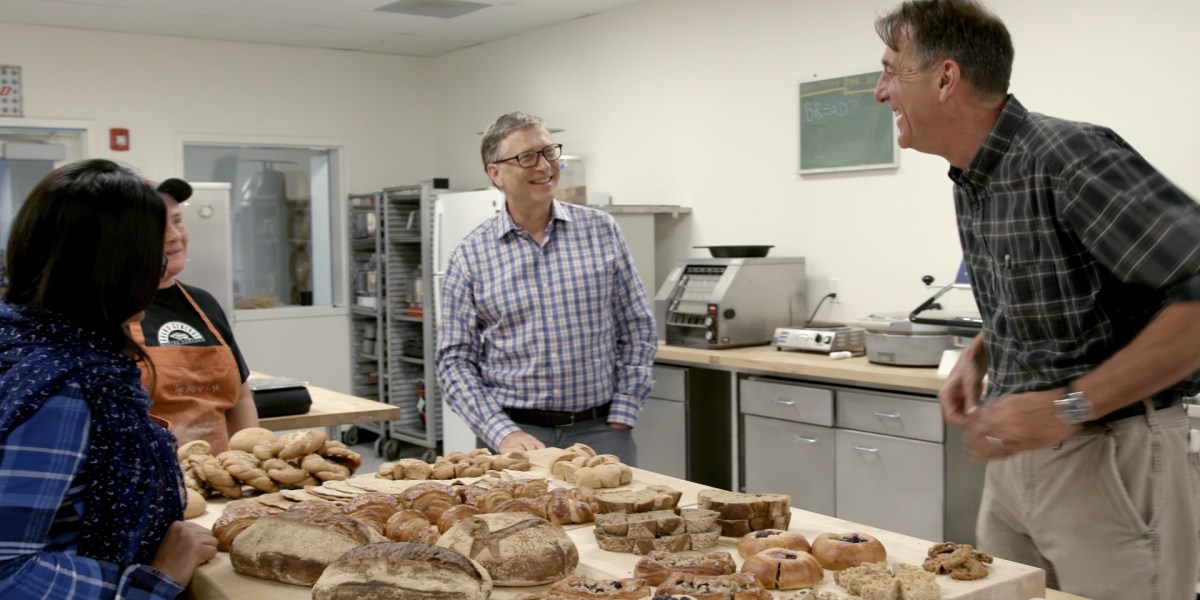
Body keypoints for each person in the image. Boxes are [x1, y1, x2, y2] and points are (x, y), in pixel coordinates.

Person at [872, 1, 1200, 598]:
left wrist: (1068, 407)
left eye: (893, 70)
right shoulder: (974, 177)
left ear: (946, 78)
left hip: (1108, 453)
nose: (880, 91)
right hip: (1017, 455)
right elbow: (1063, 291)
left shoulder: (1070, 156)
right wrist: (983, 351)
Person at [0, 159, 218, 598]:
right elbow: (9, 572)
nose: (159, 280)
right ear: (114, 270)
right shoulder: (63, 384)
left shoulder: (21, 338)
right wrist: (155, 578)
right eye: (154, 263)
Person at [436, 111, 657, 464]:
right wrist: (501, 431)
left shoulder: (602, 230)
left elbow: (637, 326)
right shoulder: (470, 254)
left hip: (601, 432)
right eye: (527, 157)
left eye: (549, 152)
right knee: (517, 522)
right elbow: (454, 362)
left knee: (614, 519)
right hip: (514, 437)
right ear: (496, 173)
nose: (544, 166)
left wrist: (625, 408)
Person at [131, 178, 258, 454]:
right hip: (154, 483)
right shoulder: (116, 312)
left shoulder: (203, 303)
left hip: (221, 478)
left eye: (177, 221)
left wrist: (251, 463)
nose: (173, 235)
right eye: (157, 228)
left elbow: (241, 397)